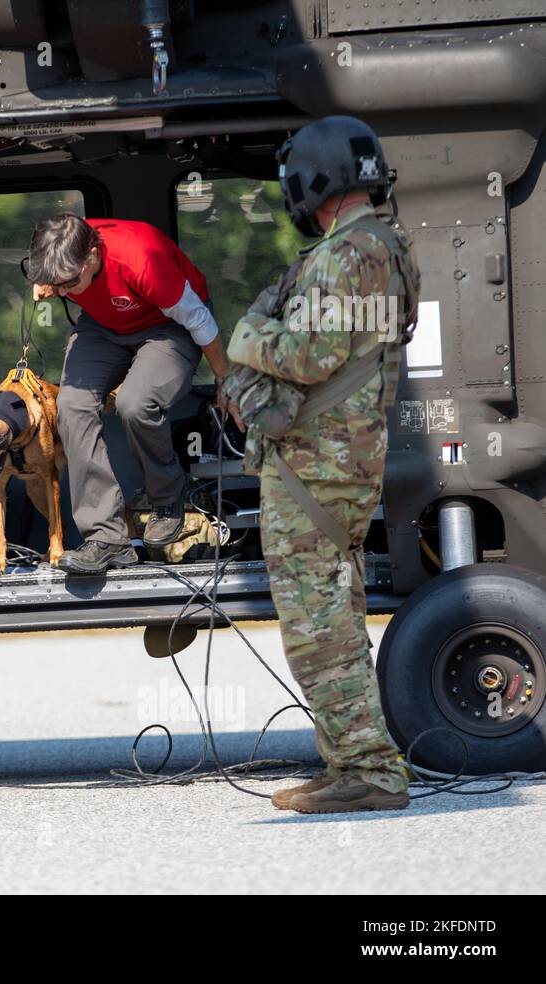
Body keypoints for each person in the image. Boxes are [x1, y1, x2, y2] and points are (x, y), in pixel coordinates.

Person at [222, 115, 420, 813]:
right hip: (345, 455)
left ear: (316, 179)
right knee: (334, 609)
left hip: (317, 462)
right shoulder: (388, 248)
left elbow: (308, 356)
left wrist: (247, 336)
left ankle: (367, 769)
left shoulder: (344, 257)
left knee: (316, 623)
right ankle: (354, 761)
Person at [25, 213, 231, 574]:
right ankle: (107, 539)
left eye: (67, 283)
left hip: (169, 325)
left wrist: (225, 379)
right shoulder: (63, 245)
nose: (60, 290)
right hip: (104, 326)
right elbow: (57, 271)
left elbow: (199, 320)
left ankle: (167, 502)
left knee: (135, 403)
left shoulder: (142, 259)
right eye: (53, 282)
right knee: (71, 406)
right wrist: (49, 282)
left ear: (92, 256)